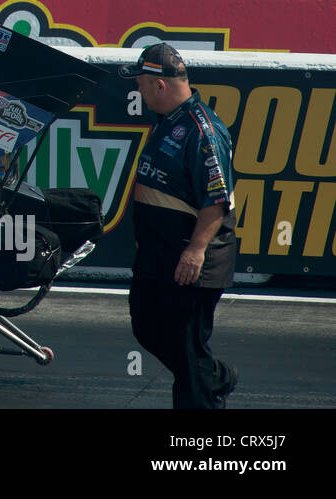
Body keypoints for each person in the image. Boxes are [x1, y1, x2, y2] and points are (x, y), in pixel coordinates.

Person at [121, 42, 239, 409]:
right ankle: (214, 375)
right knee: (146, 325)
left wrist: (196, 250)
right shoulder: (168, 122)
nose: (138, 92)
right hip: (159, 255)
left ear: (159, 85)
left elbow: (217, 199)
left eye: (140, 84)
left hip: (190, 261)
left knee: (187, 352)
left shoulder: (202, 131)